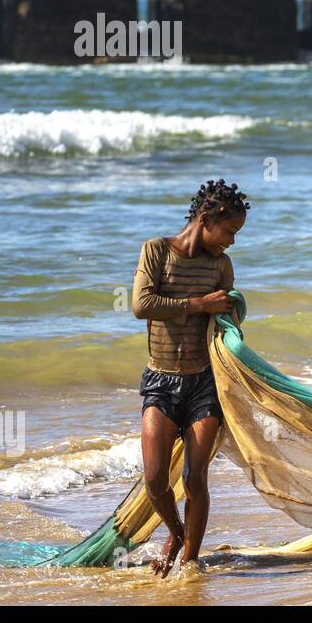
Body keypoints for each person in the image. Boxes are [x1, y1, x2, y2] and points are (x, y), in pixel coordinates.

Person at [132, 178, 249, 576]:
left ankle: (190, 562)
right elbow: (141, 304)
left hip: (203, 384)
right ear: (206, 219)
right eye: (230, 231)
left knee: (194, 478)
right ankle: (176, 532)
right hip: (160, 382)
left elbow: (226, 324)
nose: (231, 242)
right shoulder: (156, 252)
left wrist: (231, 314)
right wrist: (200, 303)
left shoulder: (221, 265)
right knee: (154, 479)